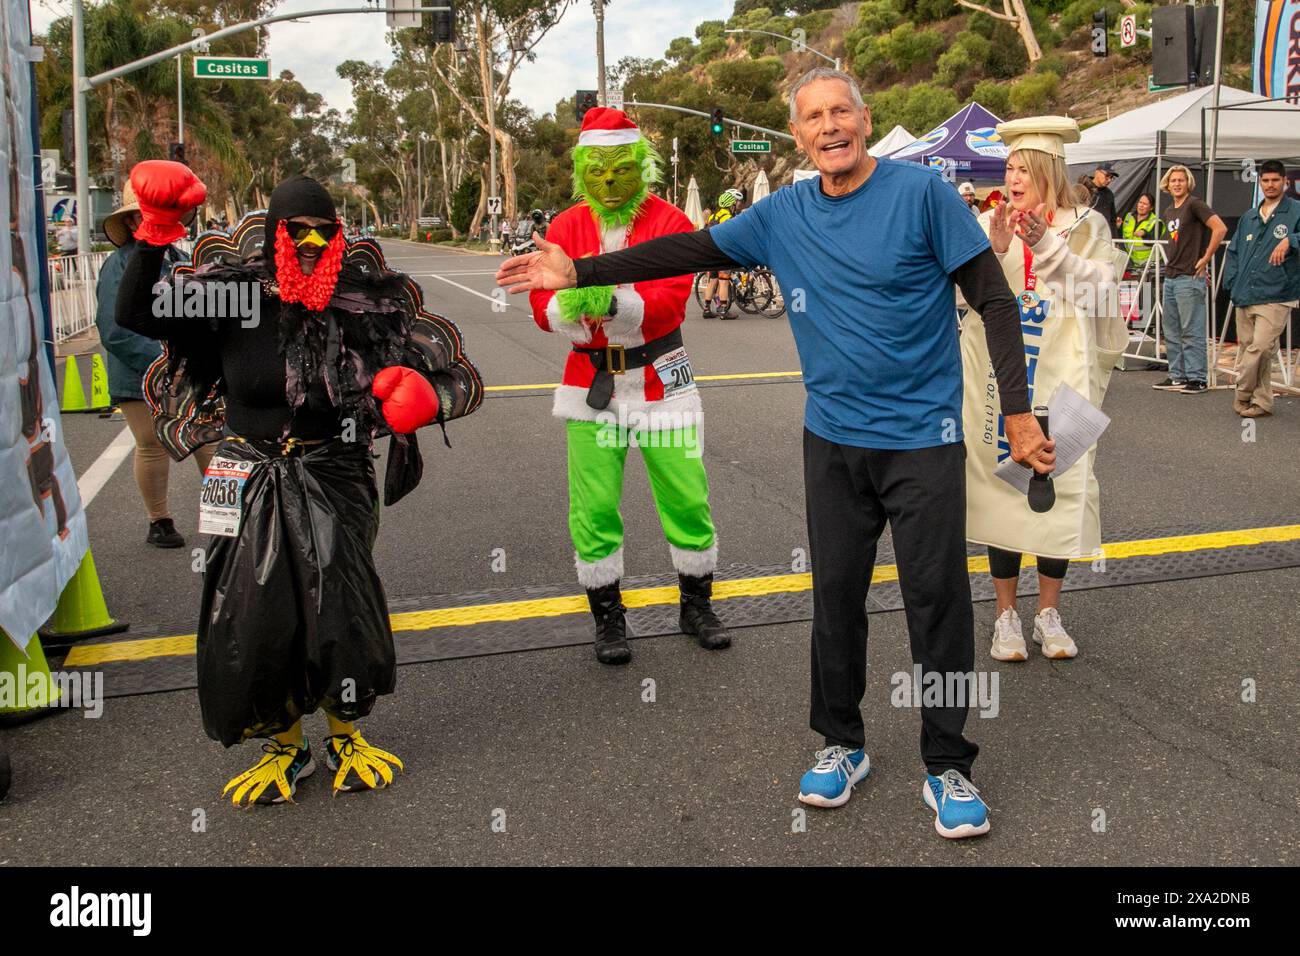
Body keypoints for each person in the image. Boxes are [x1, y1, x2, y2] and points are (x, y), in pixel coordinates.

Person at [498, 67, 1052, 839]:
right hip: (831, 440)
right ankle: (841, 744)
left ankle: (948, 761)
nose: (830, 127)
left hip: (923, 440)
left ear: (864, 119)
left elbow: (994, 296)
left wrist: (1018, 415)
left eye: (841, 113)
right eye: (813, 117)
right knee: (835, 599)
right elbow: (684, 249)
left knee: (939, 605)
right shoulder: (781, 213)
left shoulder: (922, 195)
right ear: (797, 135)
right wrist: (581, 271)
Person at [117, 163, 483, 806]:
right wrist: (154, 234)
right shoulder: (233, 295)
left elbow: (429, 374)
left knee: (338, 604)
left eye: (324, 228)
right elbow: (138, 314)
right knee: (252, 612)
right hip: (243, 467)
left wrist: (422, 399)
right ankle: (285, 746)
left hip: (334, 468)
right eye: (298, 229)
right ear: (272, 234)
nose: (312, 241)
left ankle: (345, 734)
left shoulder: (360, 301)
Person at [525, 107, 727, 665]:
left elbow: (669, 301)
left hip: (665, 377)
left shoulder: (671, 222)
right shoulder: (565, 227)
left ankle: (696, 604)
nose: (608, 182)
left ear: (642, 163)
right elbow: (543, 308)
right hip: (591, 383)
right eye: (597, 170)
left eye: (620, 169)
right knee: (593, 507)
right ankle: (608, 617)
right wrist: (569, 306)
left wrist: (602, 298)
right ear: (581, 169)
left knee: (687, 495)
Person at [962, 116, 1127, 663]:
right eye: (1008, 167)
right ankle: (1006, 614)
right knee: (1000, 484)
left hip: (1063, 367)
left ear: (1048, 171)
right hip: (1003, 373)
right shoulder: (992, 220)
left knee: (1061, 476)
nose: (1012, 177)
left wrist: (1048, 245)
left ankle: (1047, 612)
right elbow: (967, 295)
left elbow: (1102, 293)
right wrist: (997, 243)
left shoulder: (1087, 223)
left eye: (1022, 168)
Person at [96, 183, 215, 548]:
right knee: (151, 445)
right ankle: (159, 520)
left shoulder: (182, 260)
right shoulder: (118, 265)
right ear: (134, 221)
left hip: (188, 372)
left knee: (208, 441)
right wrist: (163, 365)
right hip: (138, 373)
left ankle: (224, 518)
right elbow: (113, 329)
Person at [1222, 160, 1300, 418]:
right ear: (1260, 183)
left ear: (1284, 182)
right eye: (1265, 181)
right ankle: (1261, 402)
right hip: (1245, 293)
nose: (1270, 185)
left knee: (1262, 347)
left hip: (1277, 292)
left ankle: (1242, 391)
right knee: (1249, 349)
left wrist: (1291, 239)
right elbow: (1232, 252)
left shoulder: (1296, 211)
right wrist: (1231, 284)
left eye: (1275, 180)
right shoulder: (1250, 217)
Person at [1153, 165, 1228, 396]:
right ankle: (1178, 375)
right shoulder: (1168, 211)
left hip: (1189, 276)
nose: (1177, 184)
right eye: (1173, 180)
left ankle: (1197, 378)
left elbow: (1220, 228)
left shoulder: (1195, 204)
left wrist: (1206, 257)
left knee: (1191, 329)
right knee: (1172, 329)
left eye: (1181, 180)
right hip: (1172, 275)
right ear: (1167, 184)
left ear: (1188, 183)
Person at [701, 188, 744, 318]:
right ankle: (723, 310)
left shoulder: (714, 216)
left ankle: (707, 310)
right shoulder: (728, 217)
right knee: (723, 281)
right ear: (731, 204)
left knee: (712, 281)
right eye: (736, 203)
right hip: (722, 253)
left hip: (710, 253)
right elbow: (730, 236)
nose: (737, 205)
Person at [1120, 193, 1162, 275]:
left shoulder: (1156, 221)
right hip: (1133, 262)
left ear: (1151, 208)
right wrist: (1118, 227)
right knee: (1134, 286)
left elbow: (1154, 239)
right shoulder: (1128, 216)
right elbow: (1123, 237)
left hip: (1150, 263)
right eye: (1140, 202)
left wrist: (1144, 233)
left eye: (1145, 204)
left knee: (1147, 287)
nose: (1141, 205)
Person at [1090, 162, 1120, 237]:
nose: (1109, 180)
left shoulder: (1109, 194)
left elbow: (1112, 220)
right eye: (1107, 176)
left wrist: (1115, 240)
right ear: (1097, 173)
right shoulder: (1083, 188)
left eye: (1111, 177)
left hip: (1102, 237)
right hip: (1084, 235)